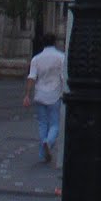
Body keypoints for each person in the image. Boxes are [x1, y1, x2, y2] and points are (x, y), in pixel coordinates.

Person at [24, 32, 66, 164]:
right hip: (54, 94)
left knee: (42, 123)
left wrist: (27, 95)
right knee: (54, 123)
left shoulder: (36, 58)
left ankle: (43, 152)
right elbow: (63, 77)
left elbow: (32, 77)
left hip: (39, 94)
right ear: (55, 42)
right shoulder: (61, 57)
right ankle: (49, 142)